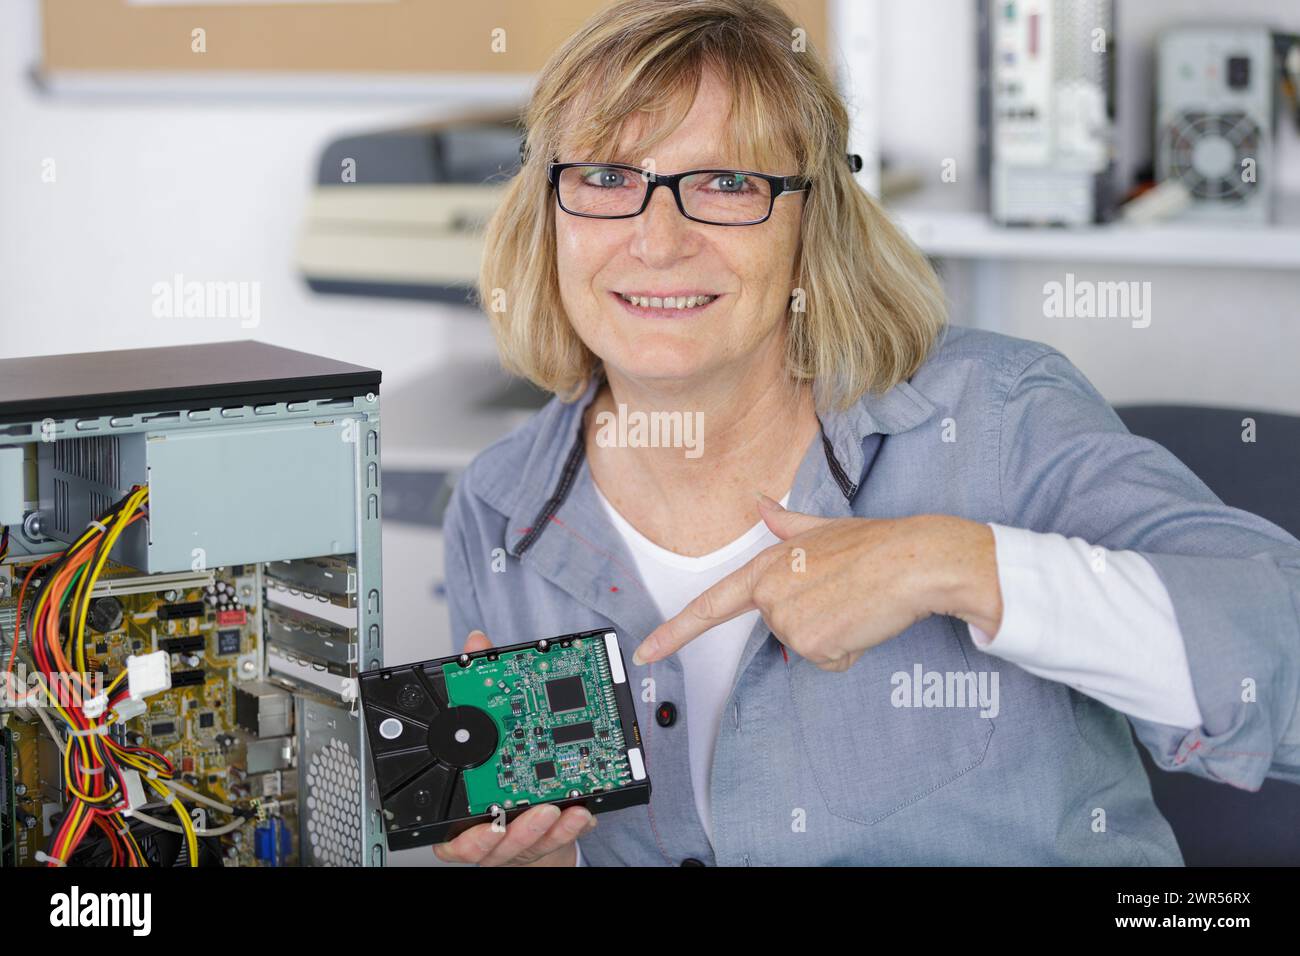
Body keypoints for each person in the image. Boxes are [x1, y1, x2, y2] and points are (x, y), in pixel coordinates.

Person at [432, 0, 1300, 866]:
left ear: (813, 220)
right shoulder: (501, 506)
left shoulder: (1000, 416)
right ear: (548, 210)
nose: (658, 242)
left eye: (728, 182)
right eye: (608, 178)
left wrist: (955, 564)